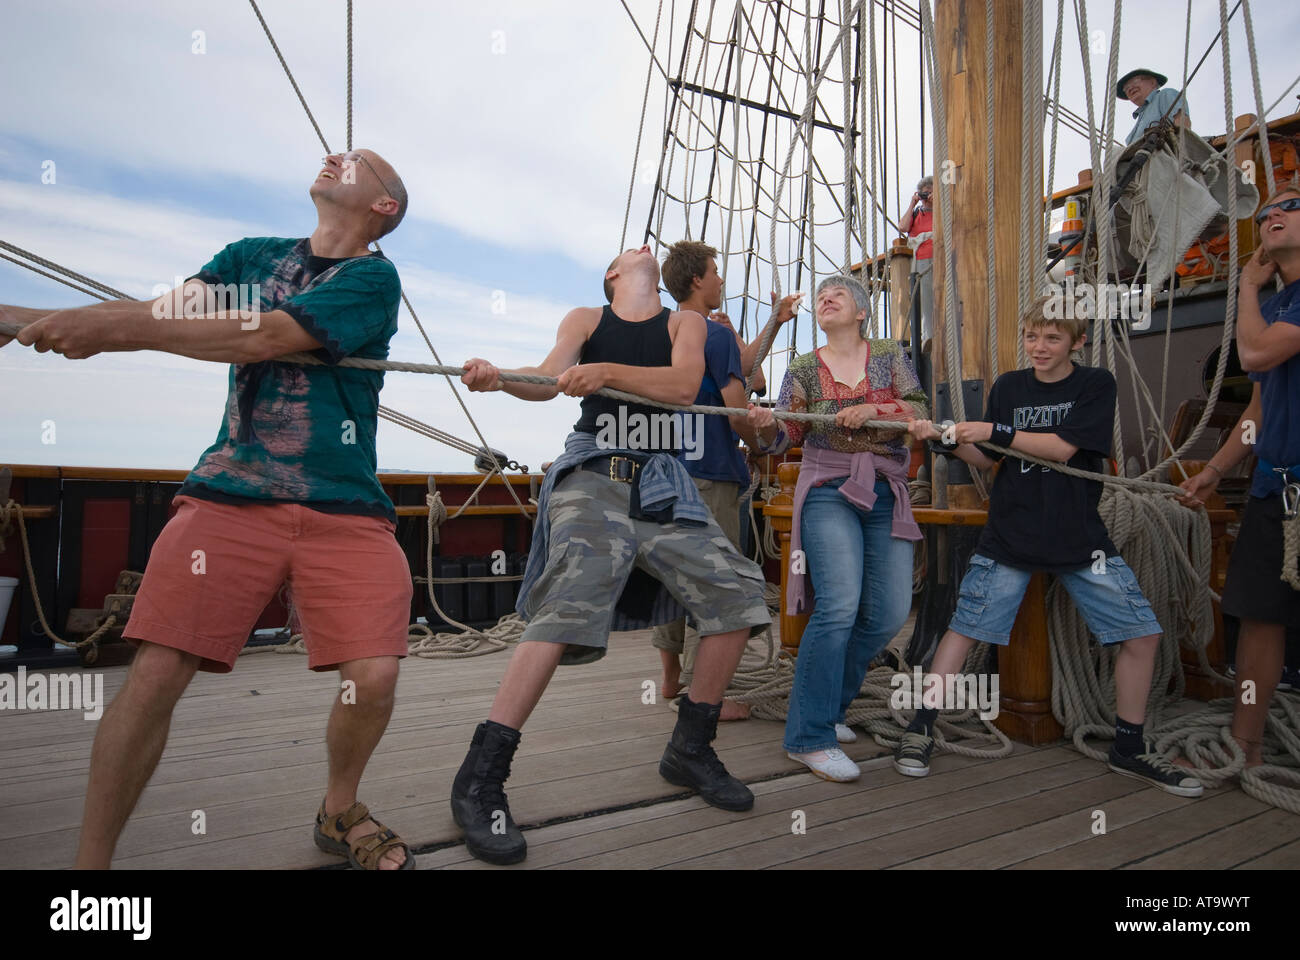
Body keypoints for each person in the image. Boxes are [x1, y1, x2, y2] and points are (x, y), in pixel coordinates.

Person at [7, 150, 416, 868]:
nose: (334, 157)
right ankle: (88, 873)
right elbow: (171, 312)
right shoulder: (248, 256)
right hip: (231, 494)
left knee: (374, 676)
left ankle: (337, 807)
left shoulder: (373, 279)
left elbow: (263, 336)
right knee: (157, 672)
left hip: (345, 504)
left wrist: (104, 334)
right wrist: (30, 318)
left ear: (383, 206)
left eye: (357, 162)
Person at [454, 245, 772, 865]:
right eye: (629, 254)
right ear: (612, 275)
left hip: (661, 481)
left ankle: (690, 748)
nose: (643, 250)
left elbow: (683, 387)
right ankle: (481, 779)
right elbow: (547, 381)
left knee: (739, 596)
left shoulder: (688, 324)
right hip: (593, 472)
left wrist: (605, 373)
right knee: (568, 600)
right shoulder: (586, 320)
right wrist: (500, 379)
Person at [899, 297, 1204, 798]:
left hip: (1079, 537)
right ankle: (920, 727)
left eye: (1053, 338)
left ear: (1078, 342)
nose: (1039, 347)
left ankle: (1129, 746)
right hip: (1011, 533)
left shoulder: (1095, 385)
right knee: (964, 629)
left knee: (1141, 634)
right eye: (1032, 336)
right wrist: (947, 438)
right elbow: (990, 456)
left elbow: (1062, 448)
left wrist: (993, 429)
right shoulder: (1009, 387)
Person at [747, 275, 926, 781]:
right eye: (821, 296)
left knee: (889, 611)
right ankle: (810, 735)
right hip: (828, 489)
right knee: (840, 604)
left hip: (885, 489)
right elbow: (787, 434)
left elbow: (921, 411)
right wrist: (766, 428)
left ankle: (830, 705)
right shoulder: (803, 368)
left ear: (863, 311)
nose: (825, 299)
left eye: (838, 294)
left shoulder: (891, 355)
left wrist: (877, 408)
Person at [1178, 180, 1300, 769]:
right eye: (1269, 208)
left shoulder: (1272, 304)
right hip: (1277, 488)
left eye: (1291, 207)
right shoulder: (1274, 306)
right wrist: (1215, 471)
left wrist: (1247, 286)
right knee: (1259, 616)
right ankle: (1244, 746)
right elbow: (1258, 408)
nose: (1273, 214)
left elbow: (1253, 355)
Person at [652, 240, 796, 720]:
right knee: (714, 582)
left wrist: (774, 320)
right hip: (711, 476)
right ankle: (703, 694)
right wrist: (761, 448)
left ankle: (672, 677)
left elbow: (742, 361)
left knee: (675, 575)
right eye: (715, 272)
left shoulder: (665, 333)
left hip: (667, 474)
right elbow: (738, 410)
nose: (720, 280)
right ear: (697, 280)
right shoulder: (711, 335)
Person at [899, 176, 935, 344]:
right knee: (924, 299)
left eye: (930, 193)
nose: (926, 197)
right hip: (921, 260)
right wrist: (912, 204)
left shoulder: (943, 212)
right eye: (924, 194)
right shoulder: (915, 214)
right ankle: (927, 337)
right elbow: (903, 227)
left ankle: (934, 334)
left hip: (939, 257)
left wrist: (939, 203)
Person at [1118, 68, 1190, 146]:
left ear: (1152, 82)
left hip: (1160, 153)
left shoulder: (1165, 94)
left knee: (1113, 152)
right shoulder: (1140, 119)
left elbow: (1182, 122)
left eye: (1135, 81)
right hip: (1138, 155)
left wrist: (1180, 150)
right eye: (1126, 88)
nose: (1130, 88)